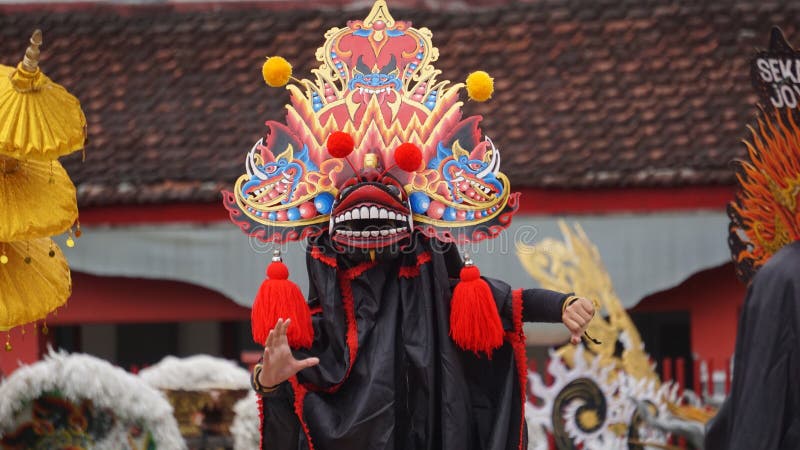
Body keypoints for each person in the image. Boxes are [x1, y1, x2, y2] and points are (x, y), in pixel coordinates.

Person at [222, 2, 595, 448]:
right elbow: (286, 409)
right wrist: (268, 380)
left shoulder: (435, 286)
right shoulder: (321, 332)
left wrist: (560, 304)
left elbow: (497, 304)